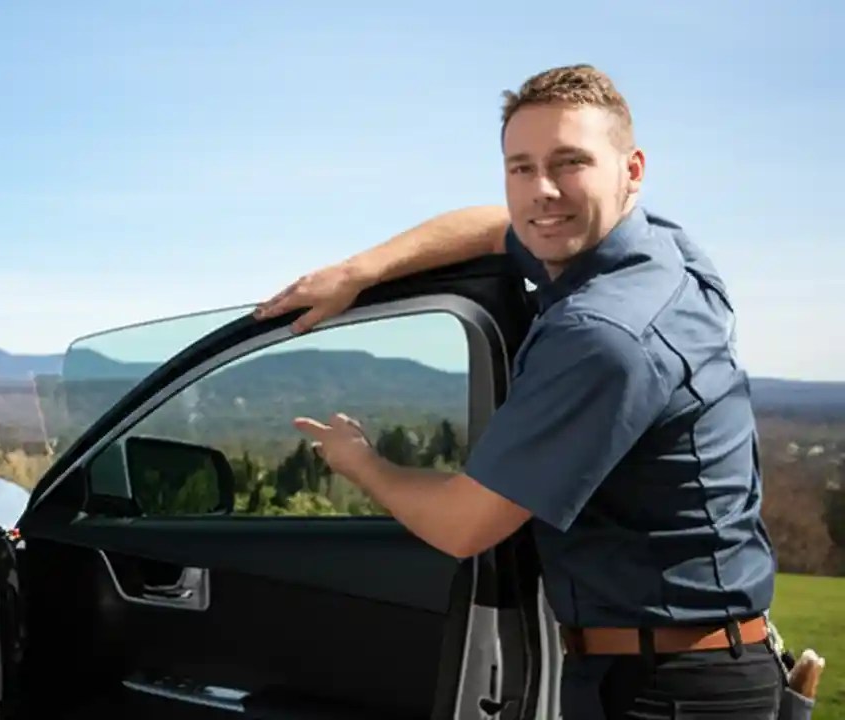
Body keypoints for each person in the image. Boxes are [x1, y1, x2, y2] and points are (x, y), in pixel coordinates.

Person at [255, 64, 785, 718]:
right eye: (520, 167)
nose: (542, 191)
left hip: (664, 691)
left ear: (632, 169)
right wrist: (359, 271)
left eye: (570, 163)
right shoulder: (660, 250)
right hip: (704, 664)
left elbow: (462, 524)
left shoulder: (602, 335)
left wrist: (358, 459)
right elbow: (490, 227)